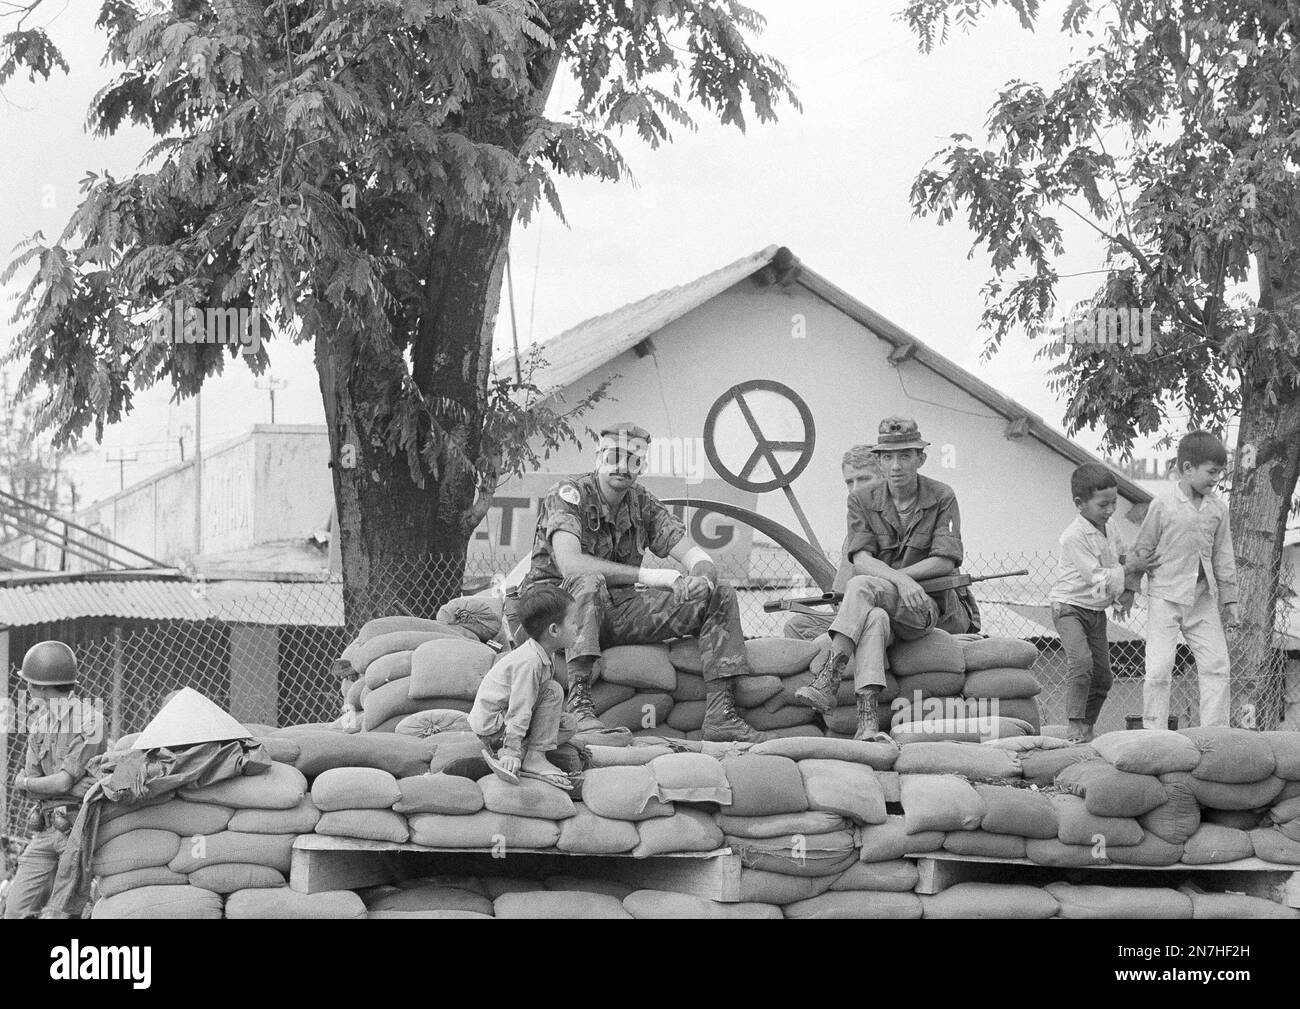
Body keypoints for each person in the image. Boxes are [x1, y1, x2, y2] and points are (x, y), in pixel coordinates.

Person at [518, 421, 766, 743]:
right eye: (615, 456)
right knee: (588, 581)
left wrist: (702, 578)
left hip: (614, 609)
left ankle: (721, 714)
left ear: (642, 465)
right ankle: (579, 704)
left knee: (719, 593)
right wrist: (653, 575)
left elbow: (697, 556)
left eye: (633, 459)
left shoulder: (643, 504)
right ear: (599, 457)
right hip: (553, 612)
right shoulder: (570, 494)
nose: (623, 466)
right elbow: (570, 565)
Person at [794, 417, 978, 740]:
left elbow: (945, 558)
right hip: (878, 609)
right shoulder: (861, 501)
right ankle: (867, 721)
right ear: (880, 459)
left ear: (920, 458)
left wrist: (902, 582)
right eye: (888, 457)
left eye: (905, 456)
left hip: (920, 608)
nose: (896, 465)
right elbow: (861, 558)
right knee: (874, 616)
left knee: (861, 585)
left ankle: (828, 678)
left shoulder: (942, 496)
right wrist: (897, 580)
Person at [1132, 430, 1238, 729]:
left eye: (1220, 472)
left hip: (1202, 599)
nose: (1216, 478)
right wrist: (1129, 587)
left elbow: (1223, 554)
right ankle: (1155, 731)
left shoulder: (1218, 508)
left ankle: (1215, 732)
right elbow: (1143, 548)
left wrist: (1230, 599)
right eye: (1211, 471)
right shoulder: (1162, 504)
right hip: (1165, 595)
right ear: (1188, 468)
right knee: (1159, 669)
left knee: (1217, 665)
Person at [1049, 463, 1154, 742]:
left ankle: (1087, 726)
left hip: (1095, 610)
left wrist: (1129, 588)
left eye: (1114, 503)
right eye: (1102, 504)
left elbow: (1120, 559)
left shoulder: (1112, 526)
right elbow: (1096, 578)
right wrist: (1130, 568)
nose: (1109, 510)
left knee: (1104, 678)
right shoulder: (1073, 536)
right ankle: (1073, 725)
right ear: (1080, 504)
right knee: (1081, 662)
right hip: (1069, 607)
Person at [4, 641, 106, 919]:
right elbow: (39, 784)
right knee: (14, 912)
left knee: (62, 914)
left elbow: (52, 782)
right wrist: (35, 785)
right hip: (45, 829)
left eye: (30, 685)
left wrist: (26, 783)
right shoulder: (38, 724)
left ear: (42, 687)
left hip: (78, 829)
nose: (27, 691)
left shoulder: (91, 721)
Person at [469, 585, 581, 788]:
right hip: (495, 727)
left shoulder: (547, 652)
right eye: (573, 622)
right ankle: (530, 757)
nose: (578, 627)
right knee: (553, 691)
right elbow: (520, 708)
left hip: (504, 721)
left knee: (568, 725)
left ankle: (523, 752)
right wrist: (511, 750)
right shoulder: (529, 662)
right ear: (554, 630)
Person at [782, 445, 881, 641]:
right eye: (849, 482)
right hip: (856, 609)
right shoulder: (857, 521)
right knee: (796, 626)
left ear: (884, 476)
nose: (855, 489)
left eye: (864, 479)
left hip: (887, 612)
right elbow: (842, 589)